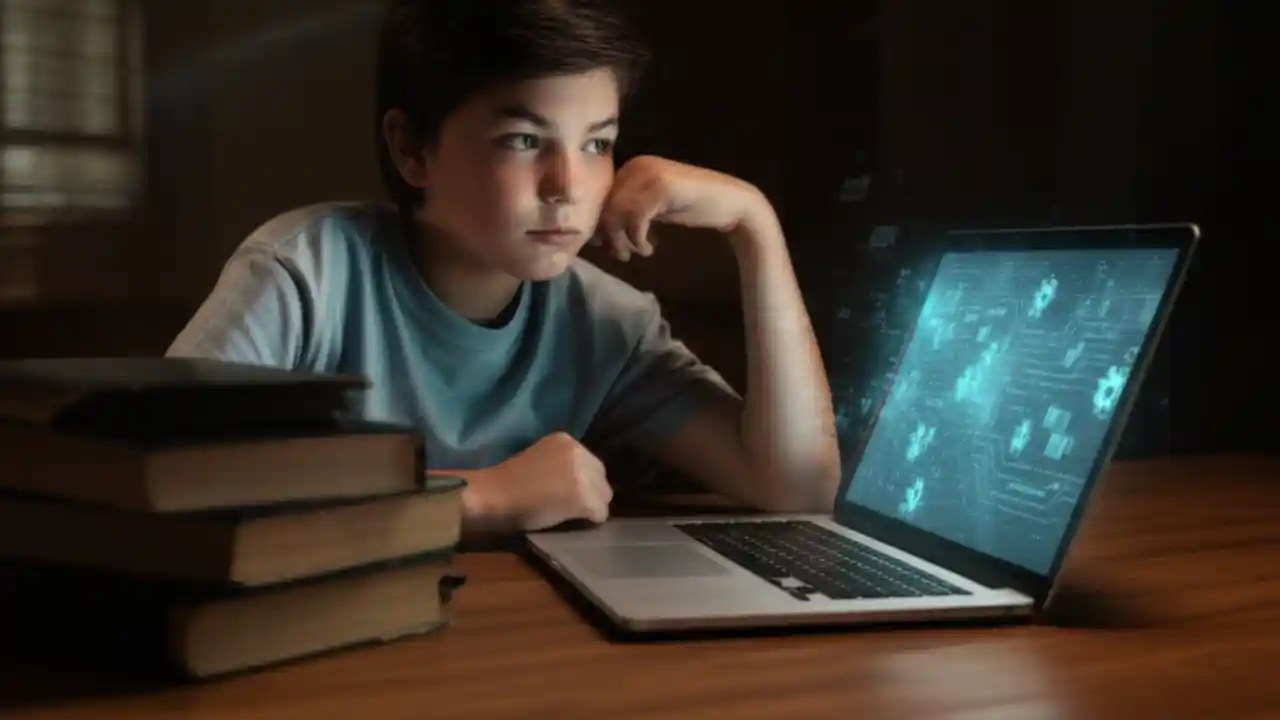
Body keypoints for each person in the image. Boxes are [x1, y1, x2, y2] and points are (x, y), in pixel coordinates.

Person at [166, 0, 840, 546]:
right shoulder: (307, 274)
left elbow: (795, 488)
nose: (567, 185)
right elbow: (165, 482)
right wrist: (482, 498)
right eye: (523, 141)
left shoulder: (606, 323)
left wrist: (755, 227)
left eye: (597, 143)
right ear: (410, 149)